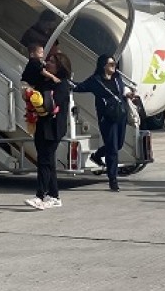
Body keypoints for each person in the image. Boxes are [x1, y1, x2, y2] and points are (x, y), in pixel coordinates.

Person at [73, 54, 138, 191]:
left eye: (114, 64)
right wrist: (62, 81)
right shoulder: (95, 81)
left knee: (118, 145)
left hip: (120, 115)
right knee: (112, 148)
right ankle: (113, 180)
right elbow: (79, 87)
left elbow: (122, 91)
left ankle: (96, 155)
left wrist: (129, 95)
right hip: (107, 118)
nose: (114, 66)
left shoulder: (117, 78)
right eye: (111, 64)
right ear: (103, 66)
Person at [22, 44, 69, 209]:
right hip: (41, 126)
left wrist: (38, 100)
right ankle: (54, 196)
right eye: (47, 60)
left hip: (54, 128)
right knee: (48, 162)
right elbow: (28, 77)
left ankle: (40, 196)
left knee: (44, 161)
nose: (47, 63)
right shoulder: (43, 81)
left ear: (60, 66)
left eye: (51, 62)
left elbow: (51, 106)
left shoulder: (62, 84)